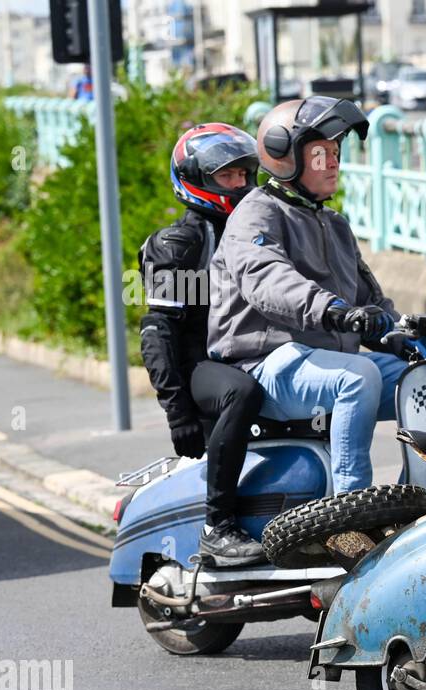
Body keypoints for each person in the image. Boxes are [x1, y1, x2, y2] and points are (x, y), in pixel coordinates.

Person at [208, 96, 404, 494]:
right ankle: (352, 507)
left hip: (323, 362)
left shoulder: (334, 224)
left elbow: (372, 300)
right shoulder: (257, 212)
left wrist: (412, 334)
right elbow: (267, 277)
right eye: (320, 154)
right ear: (285, 156)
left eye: (335, 152)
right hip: (265, 364)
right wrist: (332, 310)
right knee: (359, 377)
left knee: (424, 377)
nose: (333, 162)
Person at [139, 123, 266, 567]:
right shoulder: (180, 244)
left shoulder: (255, 229)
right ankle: (218, 527)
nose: (240, 184)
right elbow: (158, 331)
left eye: (244, 173)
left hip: (246, 351)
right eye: (227, 176)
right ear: (196, 179)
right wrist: (178, 413)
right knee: (241, 392)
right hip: (201, 364)